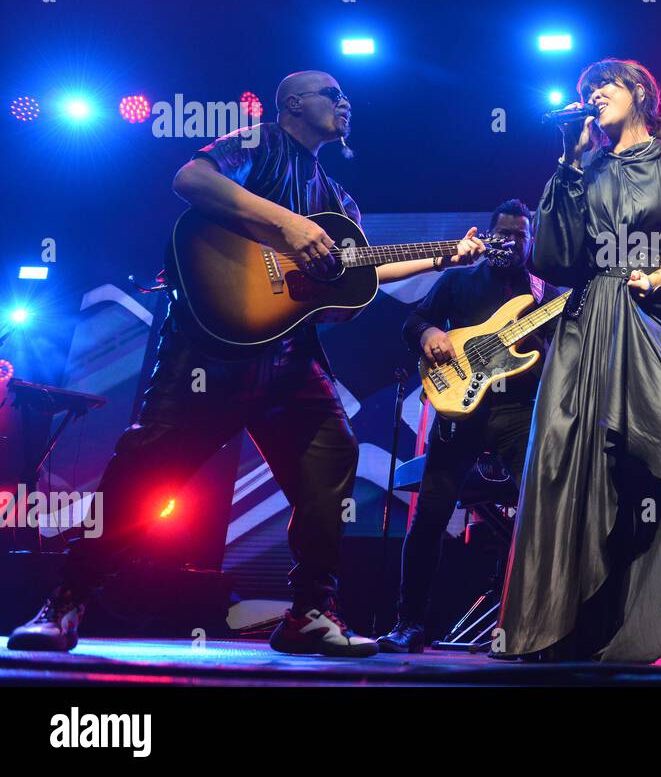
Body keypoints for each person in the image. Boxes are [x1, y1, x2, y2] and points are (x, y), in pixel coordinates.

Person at [7, 70, 484, 658]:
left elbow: (359, 275)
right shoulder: (256, 143)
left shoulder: (340, 201)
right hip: (206, 353)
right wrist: (285, 223)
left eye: (345, 96)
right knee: (145, 473)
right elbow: (190, 179)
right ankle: (68, 600)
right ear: (291, 104)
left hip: (288, 361)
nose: (345, 103)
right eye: (330, 95)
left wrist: (444, 256)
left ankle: (310, 613)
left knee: (333, 456)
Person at [496, 58, 661, 666]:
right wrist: (569, 163)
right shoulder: (582, 167)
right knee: (561, 459)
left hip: (652, 314)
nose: (594, 95)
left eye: (606, 85)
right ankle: (560, 622)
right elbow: (553, 257)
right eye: (586, 90)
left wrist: (657, 276)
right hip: (586, 319)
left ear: (641, 93)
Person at [377, 198, 564, 653]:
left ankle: (544, 625)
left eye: (520, 234)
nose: (511, 241)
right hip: (461, 408)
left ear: (531, 239)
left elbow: (572, 350)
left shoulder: (545, 292)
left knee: (542, 511)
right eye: (503, 232)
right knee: (430, 517)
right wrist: (428, 334)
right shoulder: (458, 280)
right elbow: (412, 322)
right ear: (488, 233)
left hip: (519, 410)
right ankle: (409, 623)